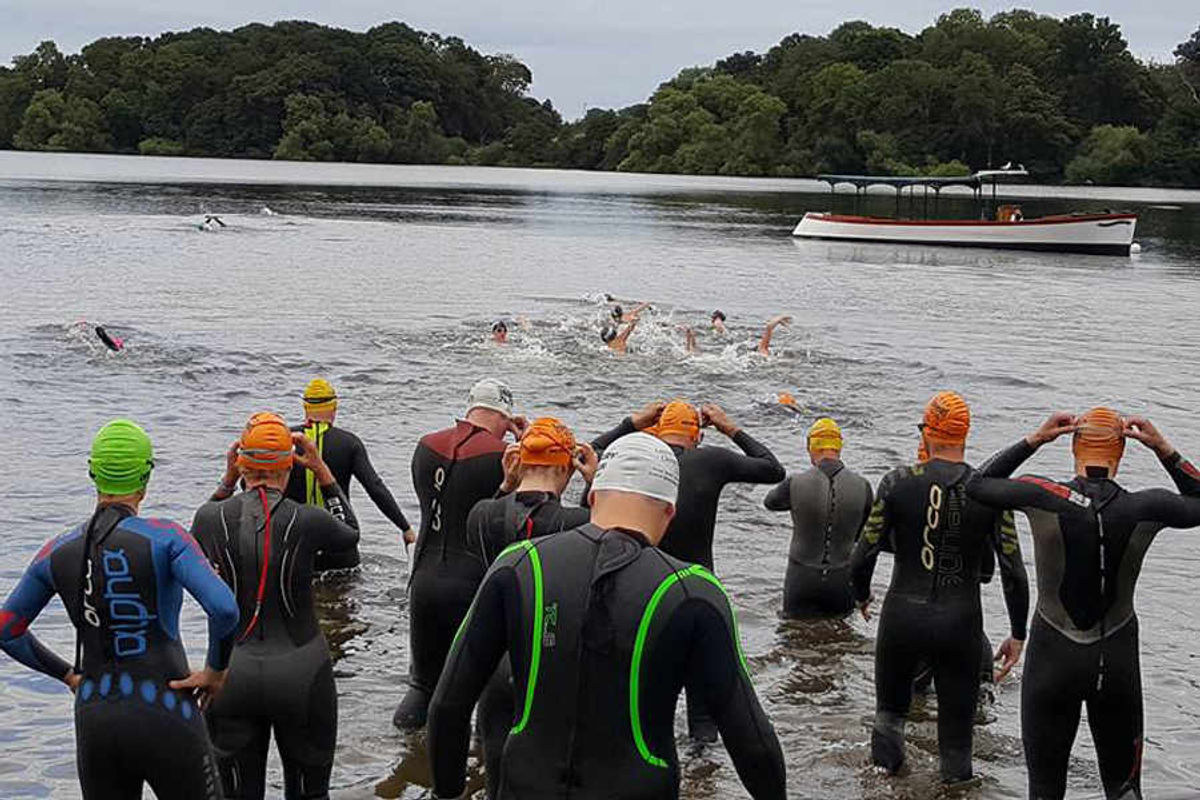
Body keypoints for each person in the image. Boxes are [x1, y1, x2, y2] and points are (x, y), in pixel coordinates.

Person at [427, 432, 787, 800]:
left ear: (594, 496)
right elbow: (751, 738)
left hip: (525, 786)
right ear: (669, 512)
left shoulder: (519, 563)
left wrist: (448, 792)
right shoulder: (692, 590)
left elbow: (448, 704)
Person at [966, 408, 1200, 800]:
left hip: (1052, 659)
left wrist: (1035, 439)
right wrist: (1163, 448)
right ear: (1122, 451)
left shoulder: (1042, 494)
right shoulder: (1146, 506)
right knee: (1124, 792)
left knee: (1045, 792)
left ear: (1074, 445)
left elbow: (977, 483)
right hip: (1116, 660)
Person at [0, 419, 238, 800]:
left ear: (93, 473)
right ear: (146, 476)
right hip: (166, 710)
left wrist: (67, 674)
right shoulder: (167, 538)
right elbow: (224, 609)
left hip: (95, 715)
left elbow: (7, 628)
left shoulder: (56, 550)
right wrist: (215, 671)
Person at [849, 392, 1029, 784]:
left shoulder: (896, 482)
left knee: (889, 718)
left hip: (902, 617)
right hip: (960, 622)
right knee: (958, 743)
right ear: (965, 434)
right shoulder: (990, 492)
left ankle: (882, 788)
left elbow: (862, 555)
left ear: (927, 433)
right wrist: (1018, 633)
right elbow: (1013, 570)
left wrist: (861, 595)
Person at [193, 411, 360, 800]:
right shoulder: (309, 519)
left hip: (232, 674)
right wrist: (322, 471)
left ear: (240, 463)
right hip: (302, 671)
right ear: (289, 466)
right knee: (310, 794)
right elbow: (351, 533)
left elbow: (192, 539)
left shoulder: (210, 517)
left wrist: (226, 481)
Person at [595, 399, 784, 741]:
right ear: (697, 436)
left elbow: (588, 454)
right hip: (697, 590)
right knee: (702, 701)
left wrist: (632, 424)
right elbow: (773, 469)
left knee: (642, 690)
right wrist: (729, 427)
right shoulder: (711, 460)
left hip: (645, 590)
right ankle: (703, 765)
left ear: (658, 431)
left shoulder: (639, 459)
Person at [464, 417, 598, 798]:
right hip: (547, 660)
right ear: (565, 468)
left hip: (492, 661)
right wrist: (593, 483)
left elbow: (495, 513)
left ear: (518, 462)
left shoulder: (480, 515)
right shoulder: (578, 522)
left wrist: (506, 485)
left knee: (495, 776)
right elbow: (606, 535)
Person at [394, 378, 525, 730]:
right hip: (472, 585)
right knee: (485, 689)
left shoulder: (426, 446)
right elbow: (507, 518)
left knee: (422, 686)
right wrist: (525, 442)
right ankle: (478, 757)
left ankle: (404, 750)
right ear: (505, 416)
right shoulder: (503, 457)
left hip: (424, 580)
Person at [285, 378, 415, 570]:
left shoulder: (286, 441)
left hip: (295, 542)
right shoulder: (349, 443)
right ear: (334, 408)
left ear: (305, 408)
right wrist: (405, 528)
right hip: (339, 539)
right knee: (344, 586)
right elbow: (375, 488)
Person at [764, 418, 873, 618]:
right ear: (839, 447)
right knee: (841, 632)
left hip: (800, 579)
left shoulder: (795, 482)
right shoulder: (863, 486)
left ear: (811, 447)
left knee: (793, 632)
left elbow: (770, 502)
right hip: (842, 580)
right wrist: (863, 593)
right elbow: (864, 538)